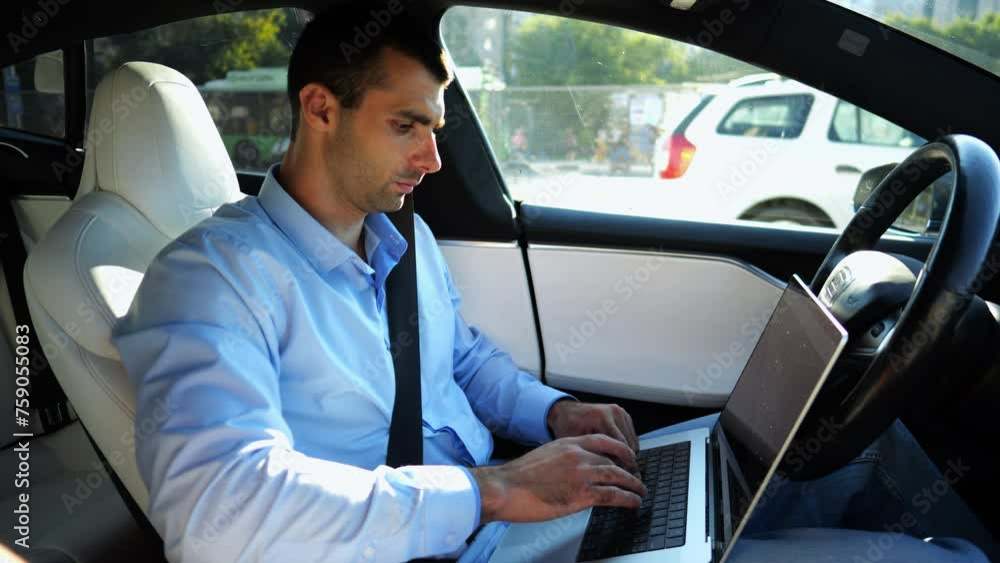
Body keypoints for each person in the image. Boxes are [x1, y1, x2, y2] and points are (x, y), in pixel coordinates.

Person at [112, 7, 995, 563]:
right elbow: (219, 515)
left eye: (438, 127)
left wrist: (550, 415)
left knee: (868, 455)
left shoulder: (396, 240)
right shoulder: (210, 280)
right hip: (464, 537)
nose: (431, 157)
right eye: (407, 126)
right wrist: (491, 492)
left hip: (509, 509)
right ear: (319, 107)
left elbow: (459, 358)